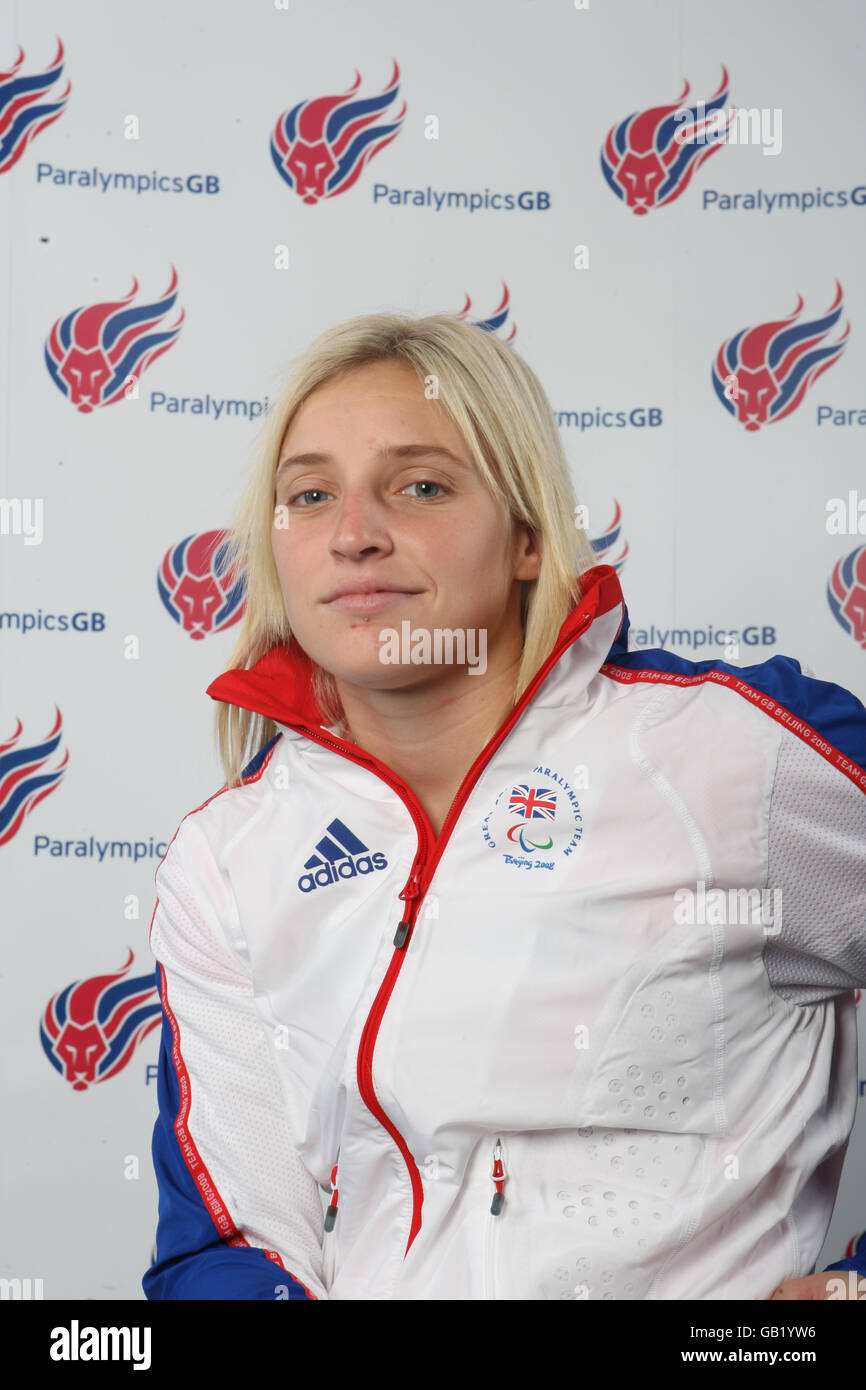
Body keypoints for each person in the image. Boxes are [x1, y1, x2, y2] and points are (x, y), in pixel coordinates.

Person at [142, 312, 866, 1301]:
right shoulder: (227, 856)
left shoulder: (730, 753)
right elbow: (225, 1240)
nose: (354, 534)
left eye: (421, 486)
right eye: (309, 495)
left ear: (526, 538)